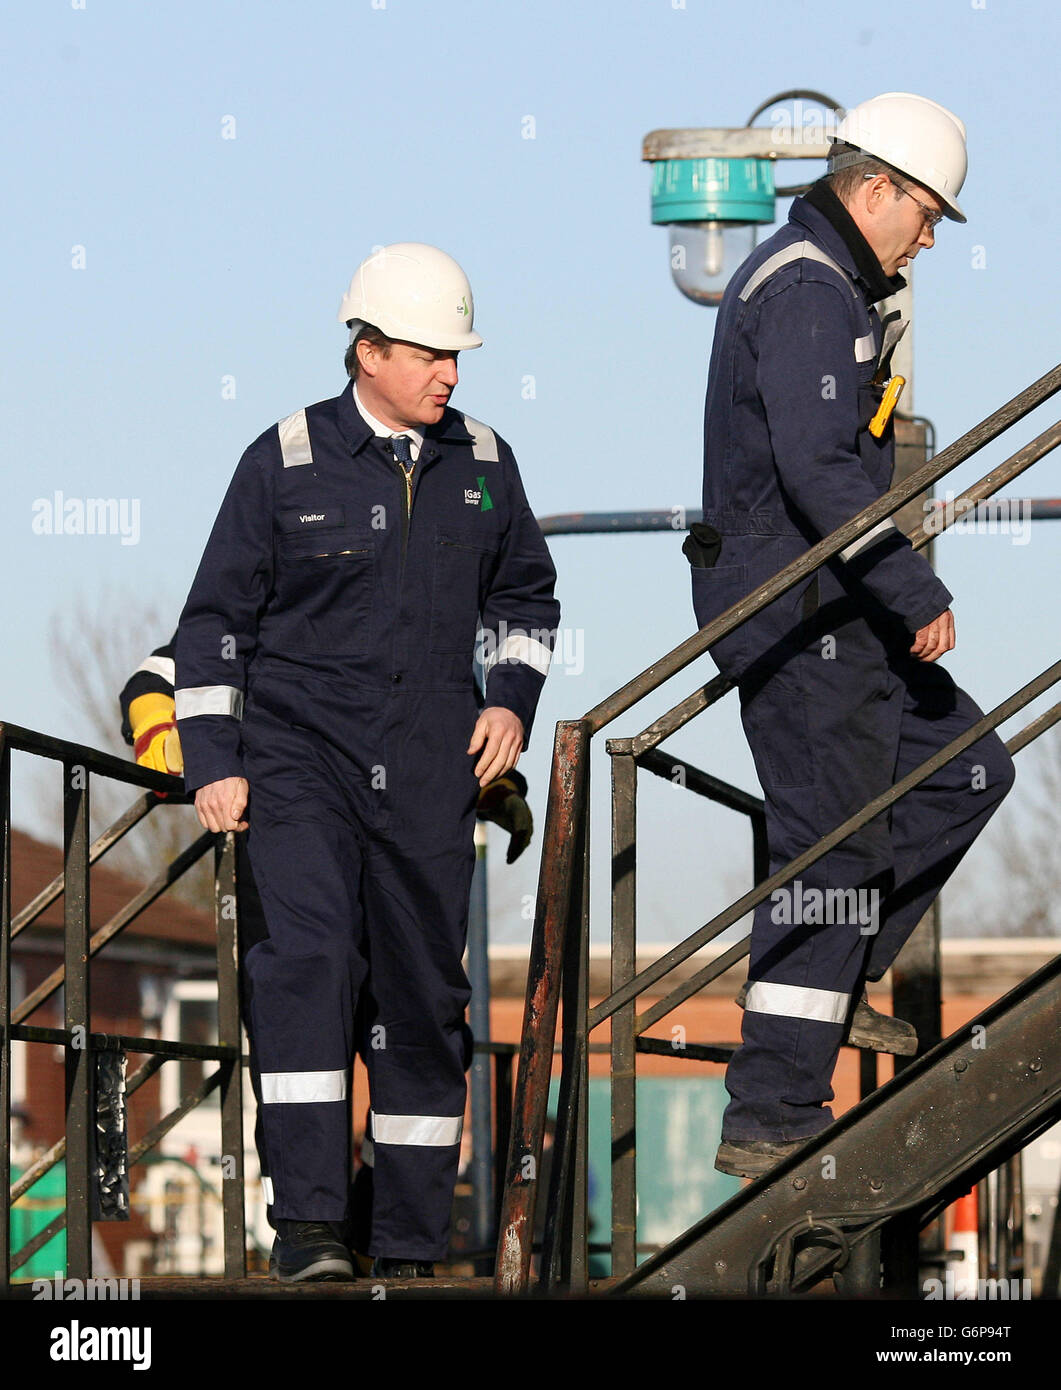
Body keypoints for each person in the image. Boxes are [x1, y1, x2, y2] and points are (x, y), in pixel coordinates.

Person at [172, 243, 560, 1277]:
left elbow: (528, 599)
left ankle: (405, 1240)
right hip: (298, 764)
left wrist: (511, 703)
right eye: (433, 354)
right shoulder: (284, 460)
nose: (451, 373)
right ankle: (307, 1227)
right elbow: (214, 626)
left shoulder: (484, 462)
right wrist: (212, 757)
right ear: (370, 350)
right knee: (305, 969)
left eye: (456, 355)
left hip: (432, 767)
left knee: (425, 998)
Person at [689, 94, 1014, 1178]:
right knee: (829, 851)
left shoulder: (833, 288)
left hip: (841, 617)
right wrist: (912, 588)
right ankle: (773, 1107)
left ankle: (830, 989)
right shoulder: (804, 290)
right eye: (923, 213)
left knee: (965, 769)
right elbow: (818, 468)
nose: (926, 237)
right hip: (795, 619)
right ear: (871, 188)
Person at [119, 637, 535, 1274]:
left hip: (388, 860)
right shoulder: (255, 617)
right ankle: (311, 1227)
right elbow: (153, 684)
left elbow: (440, 728)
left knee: (409, 1031)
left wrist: (495, 783)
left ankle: (384, 1216)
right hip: (284, 854)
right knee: (299, 1042)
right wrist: (180, 747)